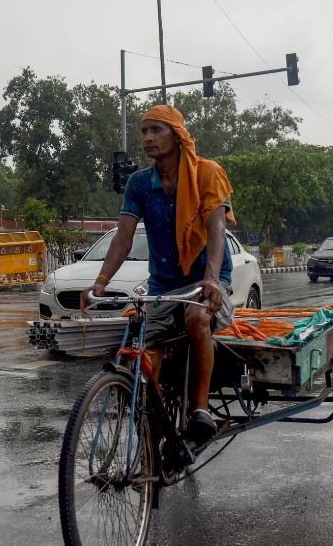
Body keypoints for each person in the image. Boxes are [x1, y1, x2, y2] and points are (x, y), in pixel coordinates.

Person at [81, 104, 236, 445]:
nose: (148, 138)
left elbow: (217, 228)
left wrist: (212, 279)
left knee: (197, 319)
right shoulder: (138, 184)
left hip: (207, 282)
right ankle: (153, 434)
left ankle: (200, 410)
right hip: (164, 286)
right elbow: (123, 238)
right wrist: (100, 283)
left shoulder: (207, 173)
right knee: (141, 352)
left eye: (156, 130)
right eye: (144, 131)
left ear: (177, 136)